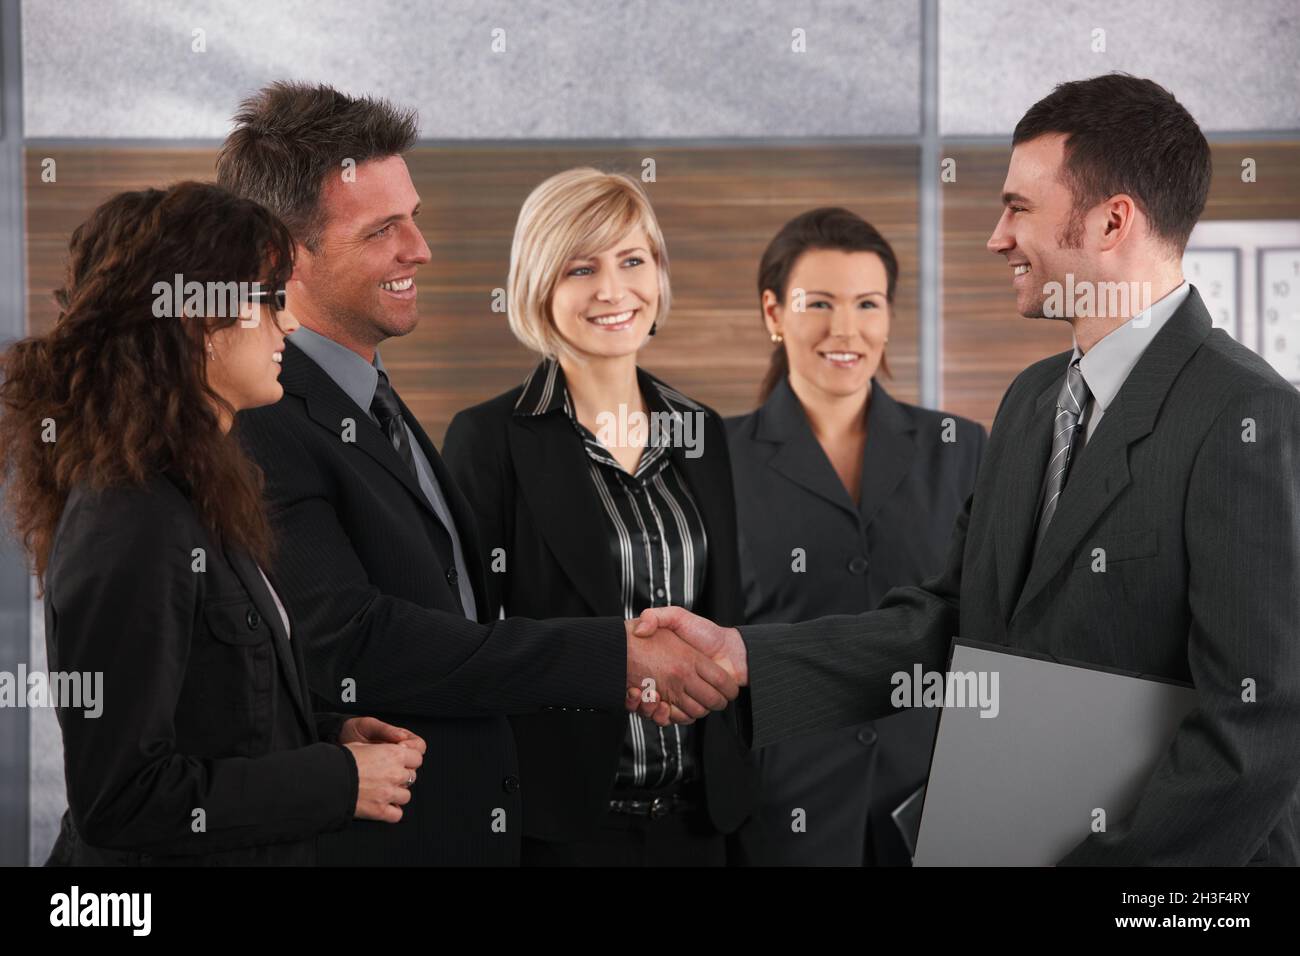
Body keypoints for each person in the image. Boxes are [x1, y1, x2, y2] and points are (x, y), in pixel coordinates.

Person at [633, 74, 1300, 866]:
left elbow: (1260, 718)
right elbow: (953, 622)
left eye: (1019, 207)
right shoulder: (1032, 401)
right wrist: (746, 656)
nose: (997, 236)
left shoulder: (1247, 414)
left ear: (1111, 220)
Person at [220, 82, 737, 866]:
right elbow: (352, 643)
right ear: (283, 256)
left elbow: (456, 629)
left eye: (414, 220)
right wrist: (615, 657)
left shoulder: (377, 400)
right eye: (383, 230)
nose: (419, 250)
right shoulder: (263, 417)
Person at [0, 181, 426, 865]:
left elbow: (215, 716)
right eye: (268, 300)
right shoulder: (131, 519)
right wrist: (337, 780)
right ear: (192, 321)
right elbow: (124, 798)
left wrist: (328, 735)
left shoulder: (193, 492)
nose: (287, 323)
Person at [442, 168, 757, 866]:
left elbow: (728, 616)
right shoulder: (488, 439)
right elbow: (467, 646)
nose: (614, 291)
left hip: (701, 823)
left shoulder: (700, 429)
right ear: (540, 285)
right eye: (581, 268)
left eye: (633, 260)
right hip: (563, 828)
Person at [726, 207, 985, 866]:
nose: (846, 330)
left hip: (941, 811)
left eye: (868, 304)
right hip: (779, 815)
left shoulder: (958, 450)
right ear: (773, 313)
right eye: (819, 303)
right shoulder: (714, 462)